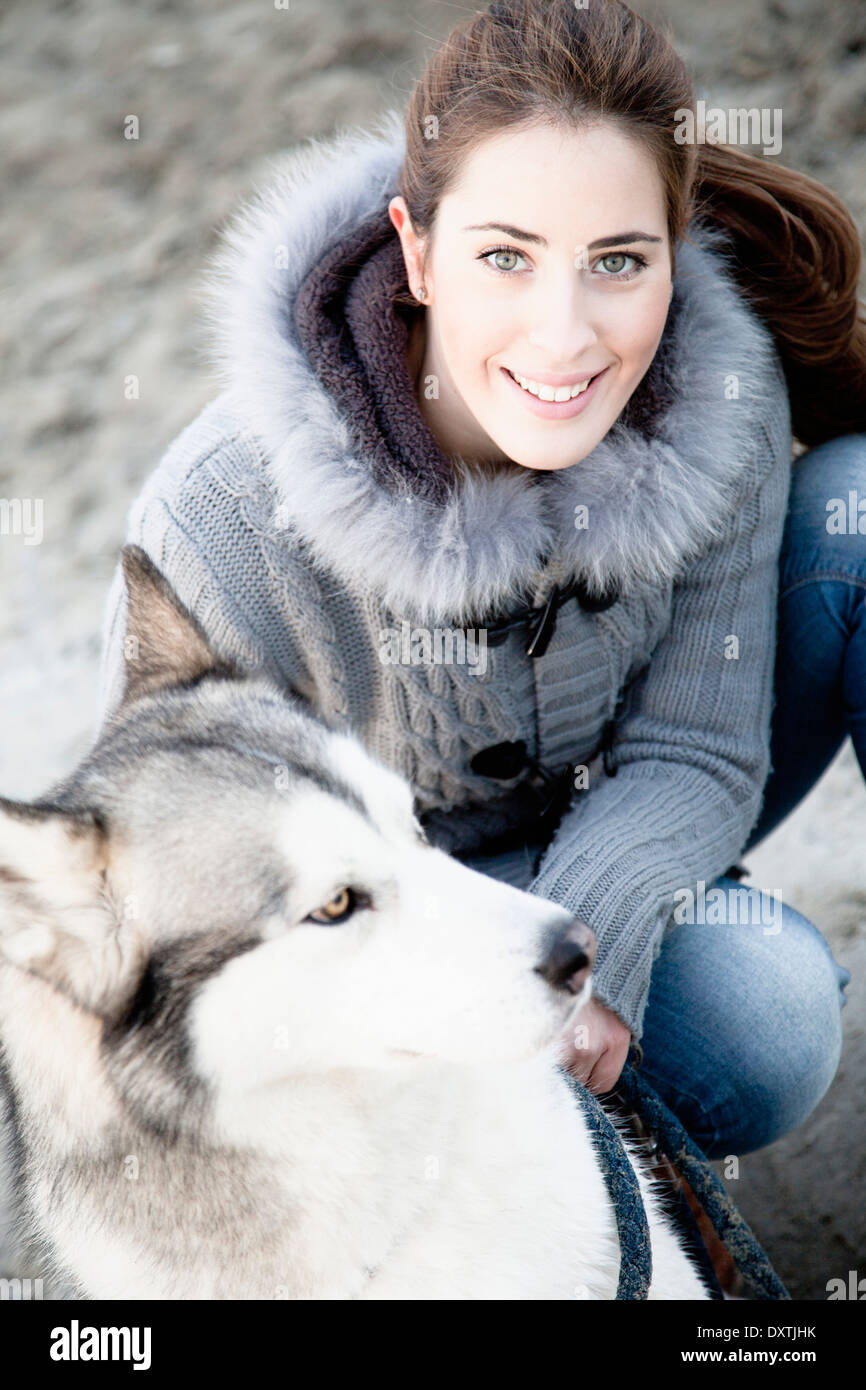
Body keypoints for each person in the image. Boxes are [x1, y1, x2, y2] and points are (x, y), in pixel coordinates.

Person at [94, 0, 865, 1159]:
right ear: (416, 251)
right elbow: (183, 903)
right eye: (503, 257)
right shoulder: (223, 518)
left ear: (672, 250)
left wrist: (591, 943)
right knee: (760, 1013)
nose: (562, 336)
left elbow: (696, 750)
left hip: (618, 822)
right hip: (382, 916)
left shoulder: (719, 391)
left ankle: (594, 1109)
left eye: (616, 261)